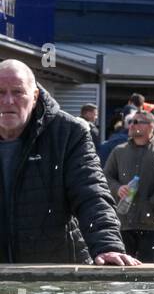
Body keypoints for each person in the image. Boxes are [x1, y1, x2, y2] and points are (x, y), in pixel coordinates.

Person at [0, 60, 138, 266]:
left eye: (18, 92)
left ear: (35, 96)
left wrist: (107, 245)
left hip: (56, 271)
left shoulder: (68, 133)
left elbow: (91, 193)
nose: (8, 100)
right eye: (0, 92)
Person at [102, 110, 154, 262]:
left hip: (151, 224)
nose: (132, 125)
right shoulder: (119, 151)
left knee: (149, 271)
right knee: (122, 271)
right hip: (123, 222)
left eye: (137, 122)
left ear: (151, 126)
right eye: (131, 122)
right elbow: (105, 176)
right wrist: (117, 188)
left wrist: (152, 201)